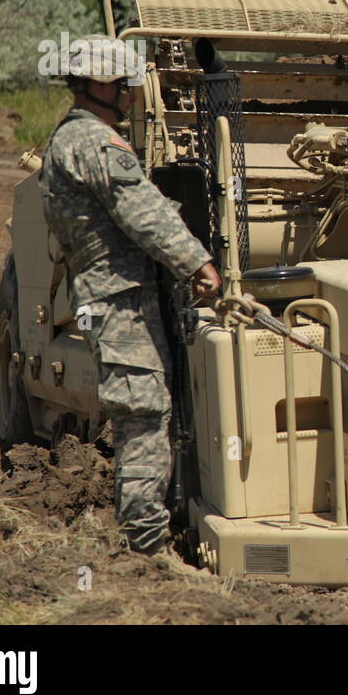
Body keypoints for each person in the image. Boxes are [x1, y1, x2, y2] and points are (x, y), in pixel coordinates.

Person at [39, 34, 221, 557]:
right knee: (143, 414)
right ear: (98, 84)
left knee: (146, 409)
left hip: (109, 296)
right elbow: (144, 213)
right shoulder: (95, 143)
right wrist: (198, 263)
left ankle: (148, 540)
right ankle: (144, 551)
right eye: (123, 86)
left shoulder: (72, 140)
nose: (129, 97)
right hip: (117, 299)